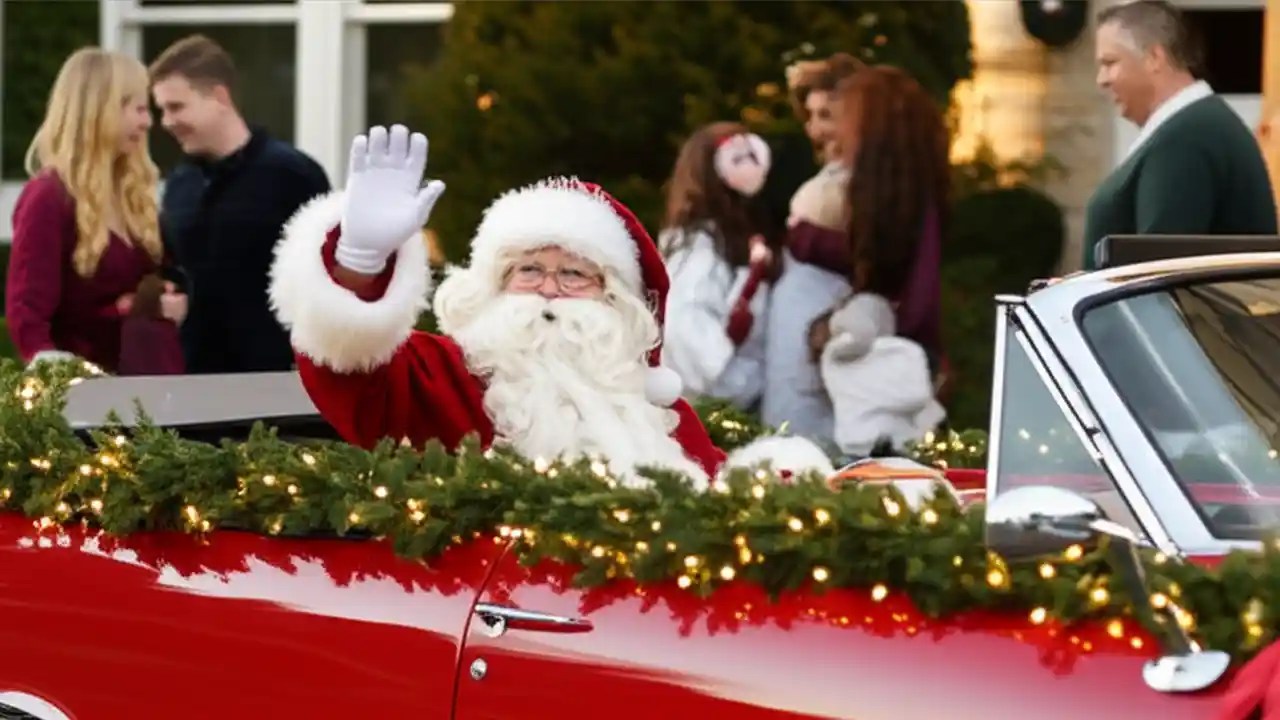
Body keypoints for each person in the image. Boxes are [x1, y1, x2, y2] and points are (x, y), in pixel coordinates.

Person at [266, 124, 834, 487]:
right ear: (493, 284)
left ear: (612, 297)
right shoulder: (447, 374)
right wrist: (359, 262)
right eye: (529, 270)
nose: (549, 289)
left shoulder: (644, 397)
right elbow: (349, 374)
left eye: (574, 275)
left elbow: (714, 484)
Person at [150, 34, 331, 373]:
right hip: (193, 383)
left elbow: (328, 277)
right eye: (161, 110)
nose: (166, 122)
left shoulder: (292, 174)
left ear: (219, 96)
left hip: (280, 382)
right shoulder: (179, 184)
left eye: (176, 107)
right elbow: (172, 270)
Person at [5, 48, 186, 373]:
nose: (147, 122)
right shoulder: (48, 197)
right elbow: (28, 314)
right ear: (98, 111)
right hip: (90, 401)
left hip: (153, 387)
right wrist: (60, 384)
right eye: (138, 108)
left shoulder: (132, 196)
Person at [1082, 0, 1277, 271]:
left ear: (1154, 58)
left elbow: (1159, 273)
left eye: (1110, 62)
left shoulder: (1187, 139)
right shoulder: (1190, 128)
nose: (1101, 79)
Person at [760, 53, 863, 446]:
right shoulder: (833, 172)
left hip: (822, 331)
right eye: (810, 115)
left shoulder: (867, 178)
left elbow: (870, 254)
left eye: (827, 115)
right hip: (792, 334)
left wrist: (805, 239)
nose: (815, 128)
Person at [659, 122, 774, 410]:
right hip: (719, 414)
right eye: (736, 159)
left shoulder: (731, 240)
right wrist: (756, 381)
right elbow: (686, 330)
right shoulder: (697, 248)